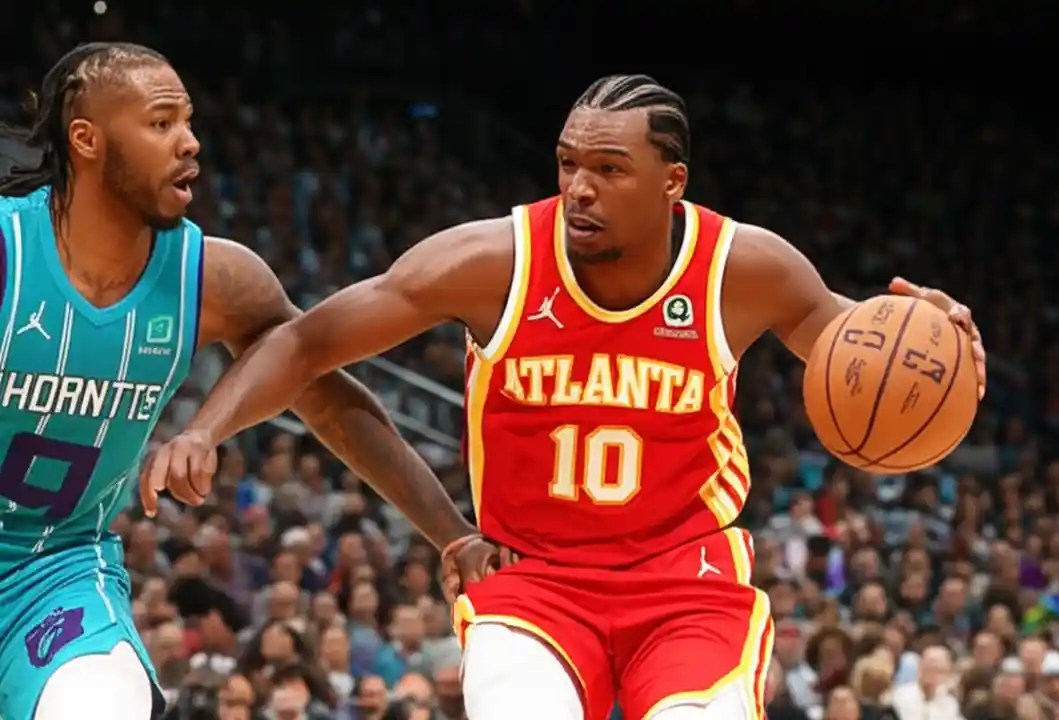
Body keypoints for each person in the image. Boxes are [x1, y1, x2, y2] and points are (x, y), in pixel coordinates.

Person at [150, 74, 987, 720]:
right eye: (567, 163)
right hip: (535, 577)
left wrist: (936, 333)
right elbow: (305, 340)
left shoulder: (747, 269)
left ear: (672, 182)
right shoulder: (492, 262)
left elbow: (862, 347)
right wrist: (207, 428)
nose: (579, 186)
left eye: (608, 169)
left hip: (687, 578)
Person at [0, 42, 495, 720]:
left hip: (53, 570)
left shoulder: (213, 279)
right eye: (161, 123)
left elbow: (318, 385)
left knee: (100, 704)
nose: (190, 143)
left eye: (189, 120)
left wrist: (453, 533)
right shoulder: (10, 254)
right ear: (86, 140)